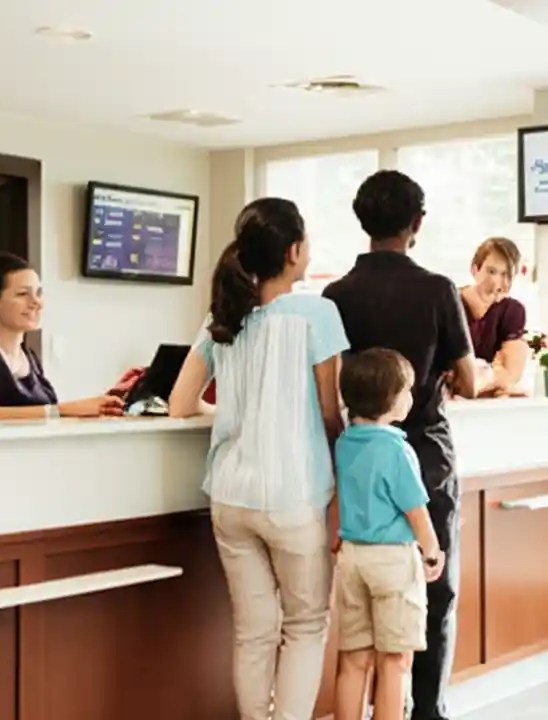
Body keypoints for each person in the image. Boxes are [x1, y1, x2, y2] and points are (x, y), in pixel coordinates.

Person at [167, 197, 348, 720]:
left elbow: (180, 403)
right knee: (305, 625)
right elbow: (330, 413)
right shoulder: (317, 313)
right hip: (295, 497)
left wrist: (234, 412)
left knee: (254, 631)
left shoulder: (224, 316)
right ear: (294, 251)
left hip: (230, 495)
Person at [322, 169, 479, 720]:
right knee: (432, 594)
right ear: (417, 223)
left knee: (359, 632)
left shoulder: (335, 295)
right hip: (426, 457)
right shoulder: (438, 290)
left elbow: (328, 382)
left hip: (357, 460)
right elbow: (469, 380)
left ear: (363, 222)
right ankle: (425, 710)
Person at [333, 348, 445, 720]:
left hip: (352, 557)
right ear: (389, 399)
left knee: (354, 659)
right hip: (392, 561)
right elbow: (415, 510)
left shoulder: (345, 443)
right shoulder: (397, 449)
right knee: (395, 661)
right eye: (407, 391)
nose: (411, 398)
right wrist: (432, 551)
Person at [0, 249, 124, 420]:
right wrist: (64, 410)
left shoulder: (28, 356)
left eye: (38, 293)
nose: (36, 302)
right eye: (23, 294)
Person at [458, 237, 530, 397]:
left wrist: (477, 378)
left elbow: (510, 376)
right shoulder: (451, 303)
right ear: (474, 269)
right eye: (491, 271)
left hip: (490, 402)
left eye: (505, 274)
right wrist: (493, 371)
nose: (497, 281)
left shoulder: (512, 310)